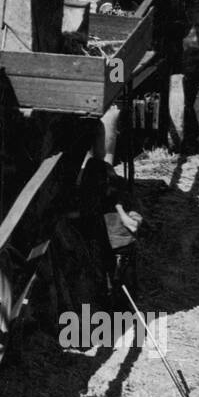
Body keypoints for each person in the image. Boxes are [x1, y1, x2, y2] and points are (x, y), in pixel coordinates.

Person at [76, 118, 142, 295]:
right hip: (105, 227)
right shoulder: (99, 168)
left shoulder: (79, 169)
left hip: (91, 225)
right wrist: (125, 216)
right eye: (102, 139)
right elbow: (114, 197)